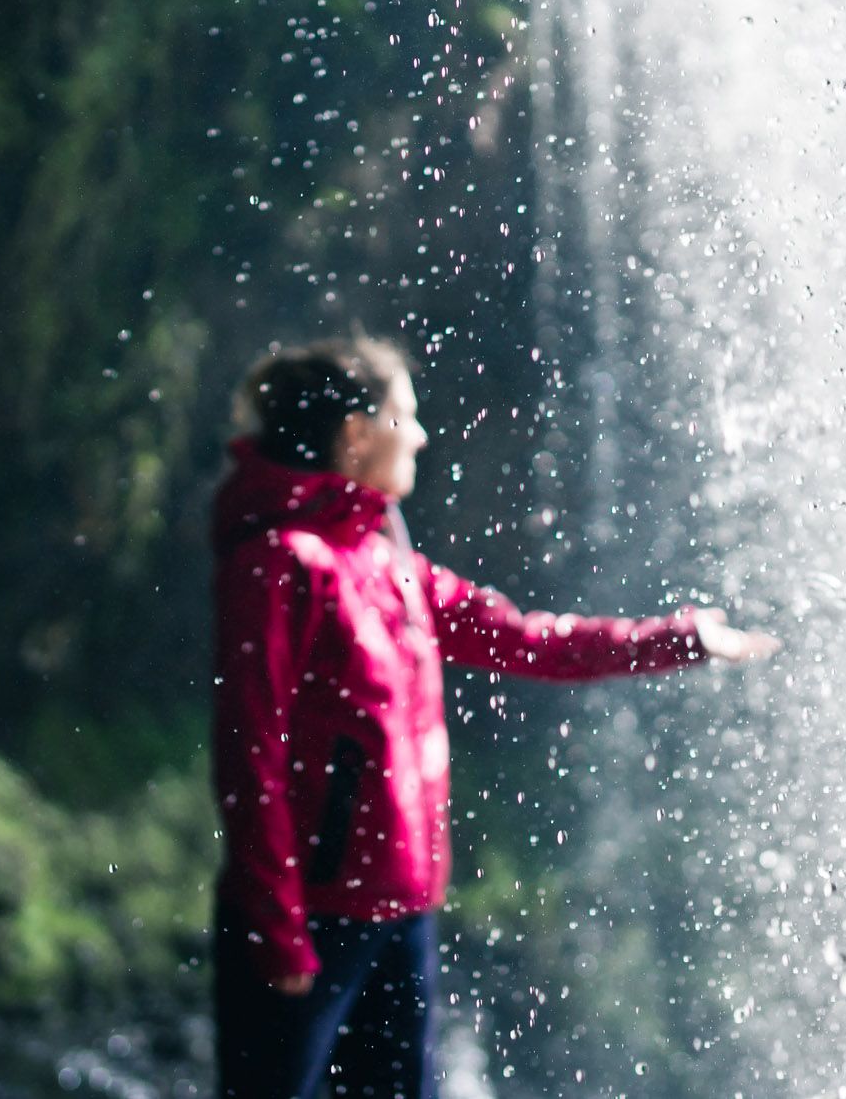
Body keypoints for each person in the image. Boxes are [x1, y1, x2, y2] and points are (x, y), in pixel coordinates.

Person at [210, 335, 778, 1099]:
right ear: (355, 435)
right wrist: (277, 928)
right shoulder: (282, 562)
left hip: (401, 908)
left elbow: (524, 638)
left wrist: (677, 639)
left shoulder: (387, 564)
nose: (419, 434)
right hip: (312, 917)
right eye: (405, 415)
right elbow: (250, 757)